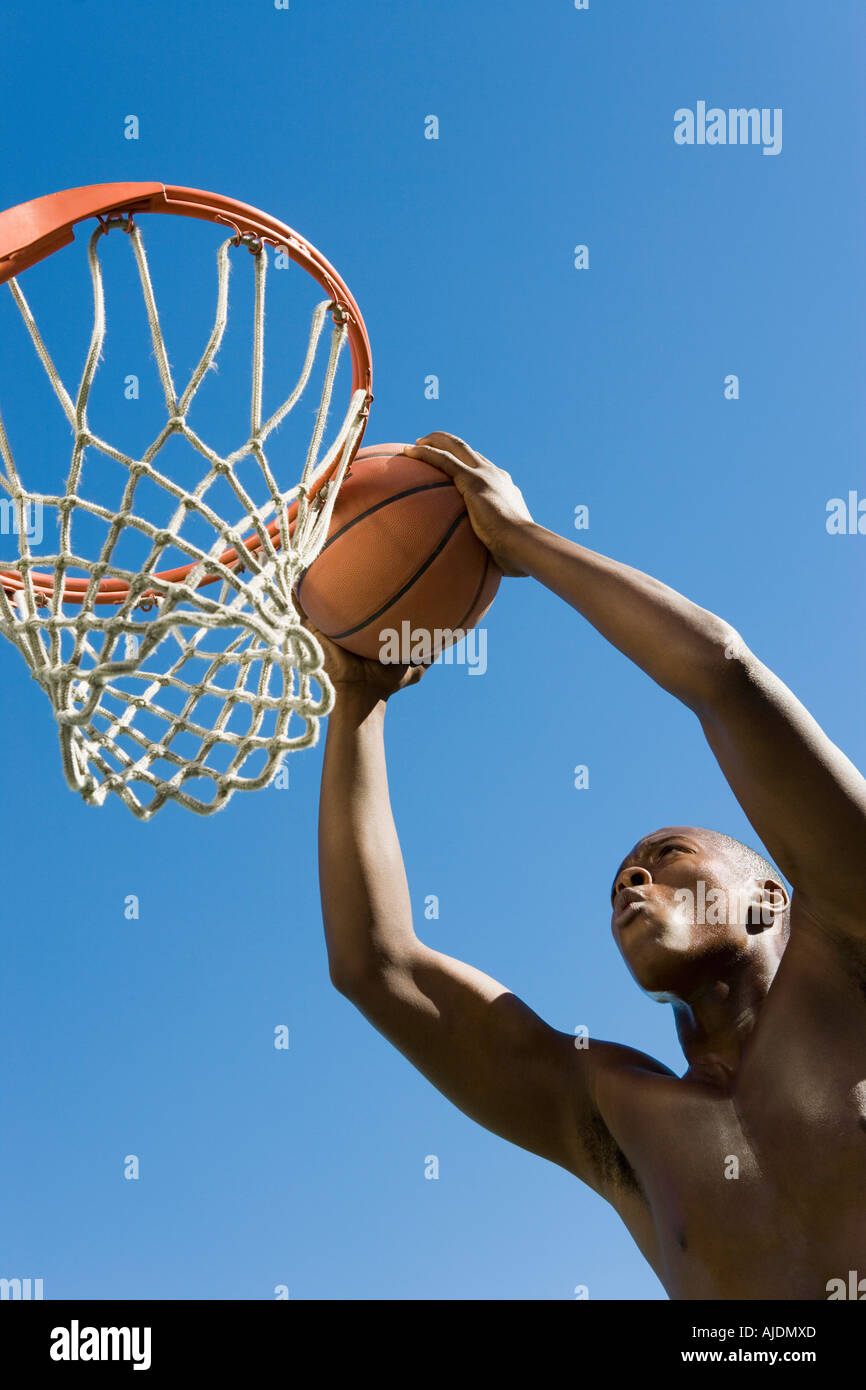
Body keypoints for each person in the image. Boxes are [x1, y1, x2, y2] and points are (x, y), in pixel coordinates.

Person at [310, 430, 866, 1300]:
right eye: (619, 883)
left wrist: (523, 543)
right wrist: (360, 699)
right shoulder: (615, 1114)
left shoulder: (853, 944)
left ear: (767, 896)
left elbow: (721, 676)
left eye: (666, 858)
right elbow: (378, 966)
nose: (632, 883)